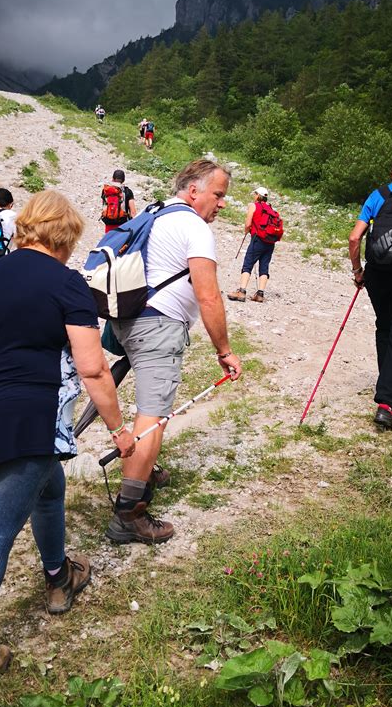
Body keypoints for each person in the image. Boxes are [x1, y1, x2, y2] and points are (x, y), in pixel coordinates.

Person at [0, 189, 134, 699]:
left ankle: (57, 575)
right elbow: (92, 367)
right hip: (31, 411)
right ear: (64, 237)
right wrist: (119, 429)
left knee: (49, 486)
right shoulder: (67, 284)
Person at [107, 158, 242, 546]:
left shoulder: (157, 213)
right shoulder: (193, 227)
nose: (222, 203)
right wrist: (224, 351)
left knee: (146, 410)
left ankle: (144, 471)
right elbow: (208, 294)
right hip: (158, 327)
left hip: (129, 321)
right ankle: (128, 514)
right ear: (194, 189)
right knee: (153, 417)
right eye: (218, 194)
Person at [348, 153, 392, 429]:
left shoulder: (378, 195)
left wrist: (358, 271)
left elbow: (354, 237)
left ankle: (387, 385)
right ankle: (387, 404)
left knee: (384, 327)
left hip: (376, 274)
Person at [227, 188, 276, 303]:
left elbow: (248, 223)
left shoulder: (253, 206)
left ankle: (242, 291)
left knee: (248, 263)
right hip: (270, 241)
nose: (254, 196)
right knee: (264, 266)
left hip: (257, 239)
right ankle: (260, 294)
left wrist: (246, 231)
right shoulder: (270, 208)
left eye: (255, 194)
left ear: (257, 195)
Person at [100, 169, 137, 234]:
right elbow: (133, 212)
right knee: (121, 242)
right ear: (123, 180)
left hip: (108, 222)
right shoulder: (127, 191)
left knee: (109, 241)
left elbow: (104, 206)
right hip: (122, 224)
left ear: (113, 179)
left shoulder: (106, 190)